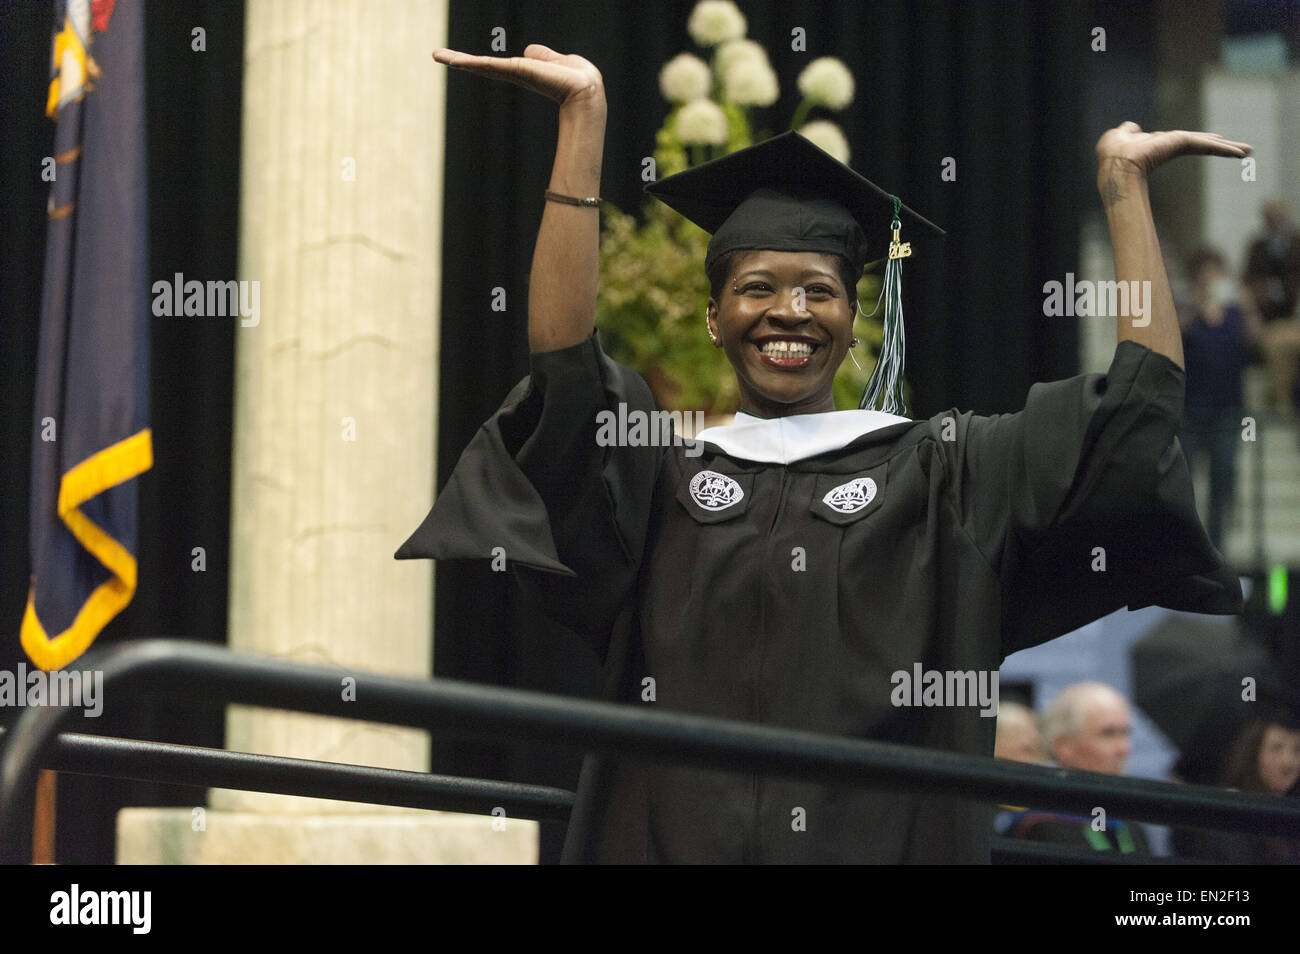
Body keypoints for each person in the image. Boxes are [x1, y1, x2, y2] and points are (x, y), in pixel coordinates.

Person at [398, 44, 1246, 863]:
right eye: (757, 287)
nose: (790, 311)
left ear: (853, 320)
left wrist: (1123, 188)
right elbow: (565, 375)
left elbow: (1133, 420)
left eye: (820, 290)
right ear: (712, 317)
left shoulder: (945, 473)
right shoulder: (661, 478)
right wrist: (584, 124)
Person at [1004, 683, 1149, 855]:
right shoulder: (1040, 825)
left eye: (1125, 733)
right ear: (1063, 746)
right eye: (1108, 733)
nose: (1123, 748)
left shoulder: (1130, 823)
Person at [1177, 248, 1258, 551]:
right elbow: (1175, 336)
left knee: (1222, 482)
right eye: (1206, 273)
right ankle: (1186, 547)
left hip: (1227, 411)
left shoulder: (1236, 313)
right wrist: (1197, 304)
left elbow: (1254, 341)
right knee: (1184, 486)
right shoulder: (1187, 310)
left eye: (1217, 273)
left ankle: (1216, 550)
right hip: (1192, 411)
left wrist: (1248, 306)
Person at [1173, 716, 1300, 863]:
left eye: (1297, 750)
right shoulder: (1232, 813)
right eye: (1276, 748)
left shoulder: (1289, 809)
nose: (1288, 762)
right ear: (1253, 755)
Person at [1244, 200, 1300, 416]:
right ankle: (1283, 402)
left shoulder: (1295, 244)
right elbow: (1247, 281)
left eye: (1278, 218)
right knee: (1275, 344)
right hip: (1269, 318)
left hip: (1292, 315)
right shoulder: (1258, 247)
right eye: (1270, 219)